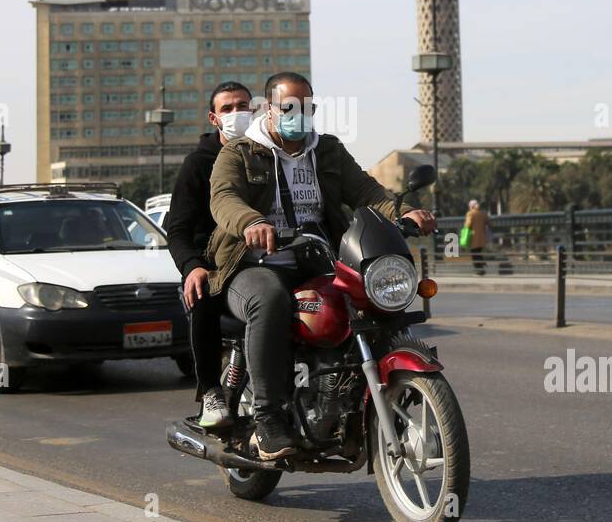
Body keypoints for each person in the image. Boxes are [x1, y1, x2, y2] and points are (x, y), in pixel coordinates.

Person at [206, 72, 435, 459]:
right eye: (290, 108)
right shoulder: (240, 152)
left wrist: (405, 210)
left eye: (307, 107)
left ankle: (345, 394)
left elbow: (366, 191)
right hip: (253, 264)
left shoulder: (326, 150)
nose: (300, 115)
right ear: (269, 109)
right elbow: (224, 198)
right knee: (270, 300)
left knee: (364, 301)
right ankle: (269, 420)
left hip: (319, 256)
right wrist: (251, 222)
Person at [166, 80, 255, 429]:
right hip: (214, 261)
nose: (237, 114)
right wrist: (192, 266)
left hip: (262, 258)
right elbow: (178, 229)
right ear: (213, 118)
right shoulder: (198, 164)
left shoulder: (267, 154)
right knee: (204, 293)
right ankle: (210, 392)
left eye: (243, 106)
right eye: (228, 109)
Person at [464, 199, 490, 276]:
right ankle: (482, 265)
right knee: (478, 252)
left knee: (474, 254)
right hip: (482, 237)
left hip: (473, 237)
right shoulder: (483, 214)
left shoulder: (470, 214)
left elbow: (468, 225)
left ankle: (479, 270)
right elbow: (489, 223)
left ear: (471, 206)